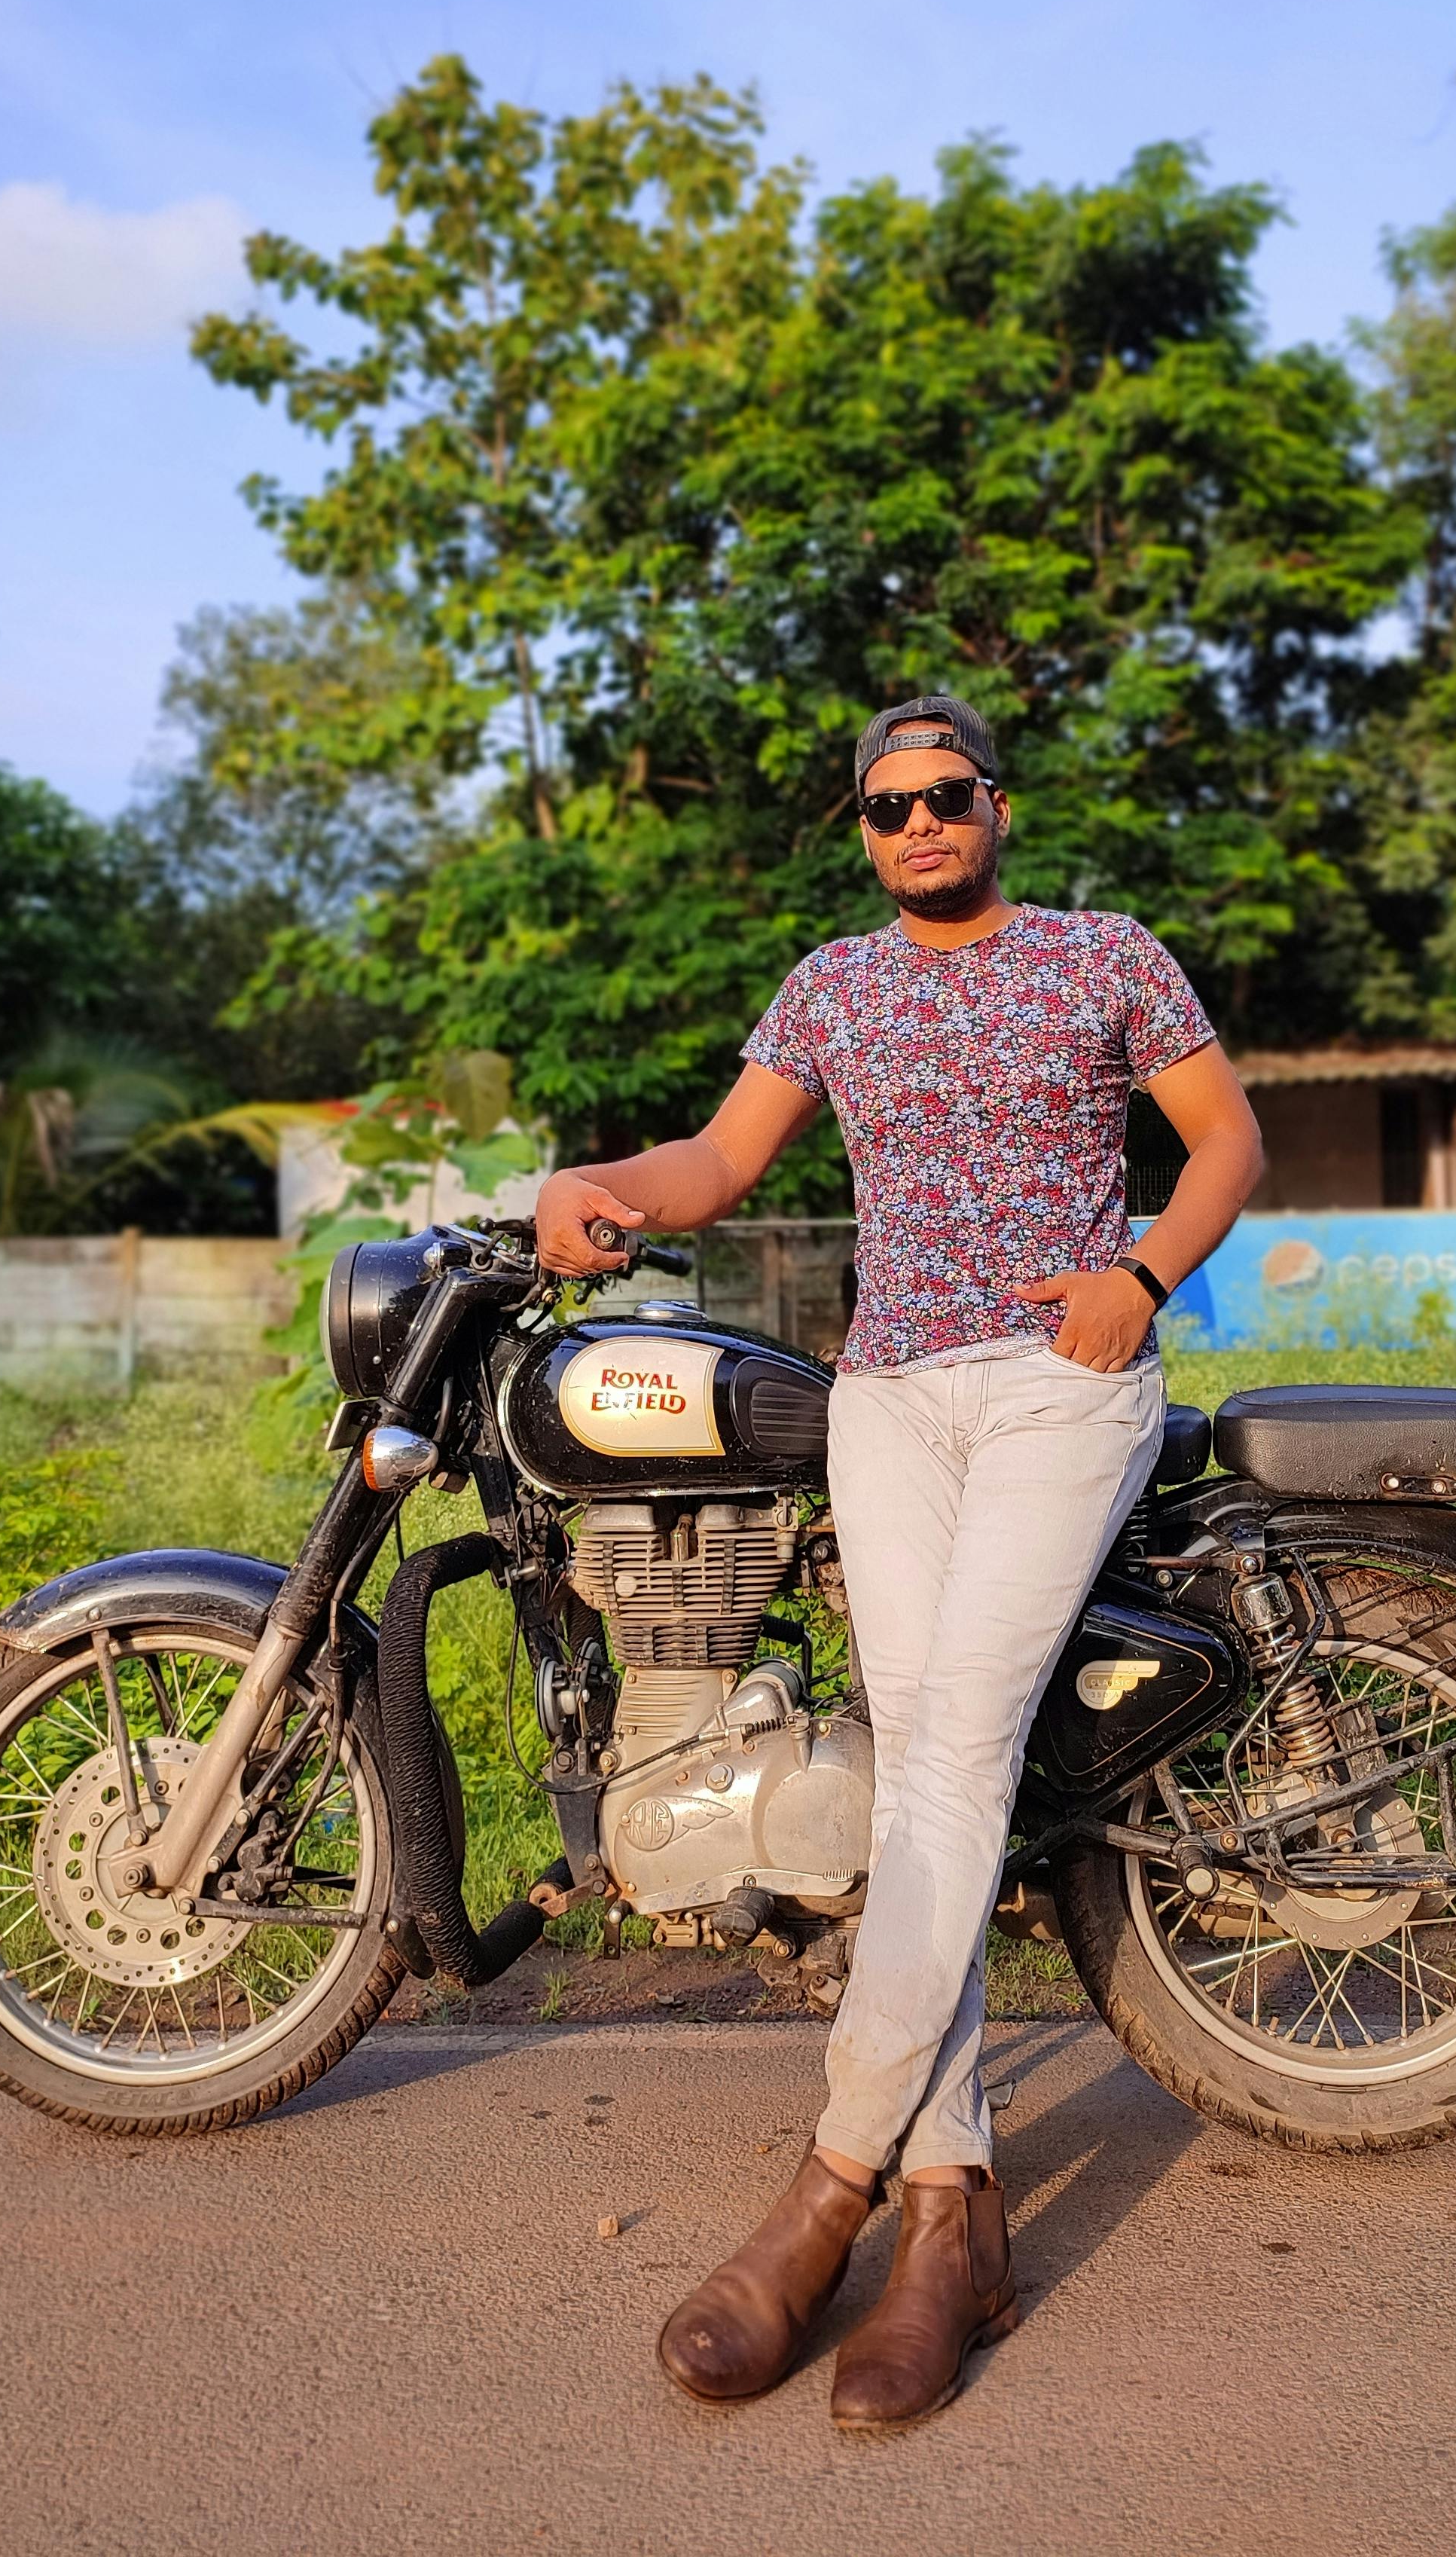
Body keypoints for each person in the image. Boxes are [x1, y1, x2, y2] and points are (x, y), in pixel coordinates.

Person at [534, 695, 1263, 2430]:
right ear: (862, 830)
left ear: (996, 805)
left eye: (947, 793)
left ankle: (826, 2196)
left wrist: (1140, 1280)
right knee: (910, 1766)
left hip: (1061, 1382)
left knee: (953, 1758)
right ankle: (954, 2213)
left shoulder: (1105, 955)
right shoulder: (833, 986)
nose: (919, 821)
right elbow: (717, 1160)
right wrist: (596, 1175)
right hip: (891, 1395)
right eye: (887, 804)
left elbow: (1226, 1137)